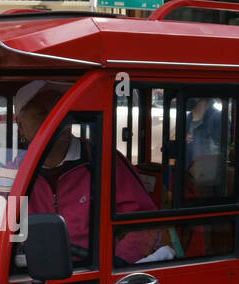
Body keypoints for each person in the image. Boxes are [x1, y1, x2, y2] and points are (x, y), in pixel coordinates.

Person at [12, 81, 160, 265]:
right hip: (30, 276)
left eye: (60, 111)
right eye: (43, 113)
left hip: (94, 276)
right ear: (20, 127)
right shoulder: (12, 174)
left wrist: (117, 261)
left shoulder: (105, 161)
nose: (55, 120)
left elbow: (145, 224)